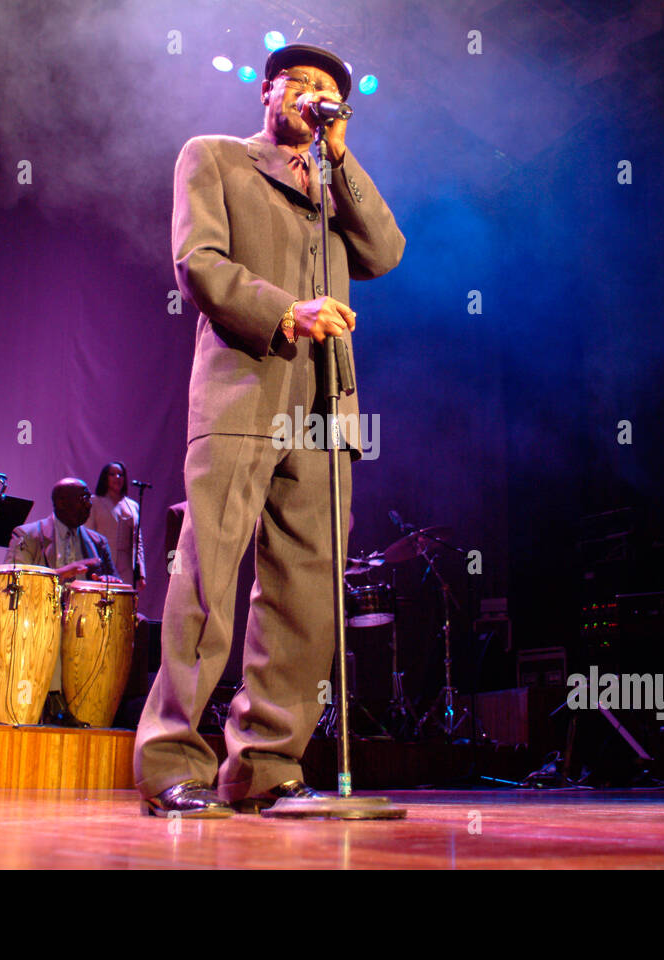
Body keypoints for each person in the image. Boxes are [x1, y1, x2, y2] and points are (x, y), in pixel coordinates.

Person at [134, 43, 404, 816]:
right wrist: (288, 311)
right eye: (301, 84)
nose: (316, 96)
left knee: (305, 598)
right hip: (243, 392)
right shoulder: (214, 157)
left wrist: (342, 162)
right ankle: (171, 762)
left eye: (330, 91)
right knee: (208, 584)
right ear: (266, 90)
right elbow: (199, 264)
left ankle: (267, 766)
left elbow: (386, 251)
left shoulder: (330, 185)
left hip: (324, 408)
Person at [4, 477, 121, 726]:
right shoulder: (28, 534)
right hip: (42, 612)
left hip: (87, 615)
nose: (89, 504)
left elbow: (115, 582)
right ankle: (56, 701)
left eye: (89, 498)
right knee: (54, 622)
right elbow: (14, 579)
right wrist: (64, 572)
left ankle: (121, 704)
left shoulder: (98, 542)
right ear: (60, 502)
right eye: (83, 498)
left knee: (137, 625)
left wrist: (108, 580)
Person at [88, 461, 145, 589]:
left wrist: (141, 572)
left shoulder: (133, 505)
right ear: (105, 477)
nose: (117, 478)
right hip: (104, 561)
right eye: (112, 474)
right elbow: (88, 535)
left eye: (120, 475)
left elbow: (138, 541)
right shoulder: (95, 502)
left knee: (125, 601)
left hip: (127, 563)